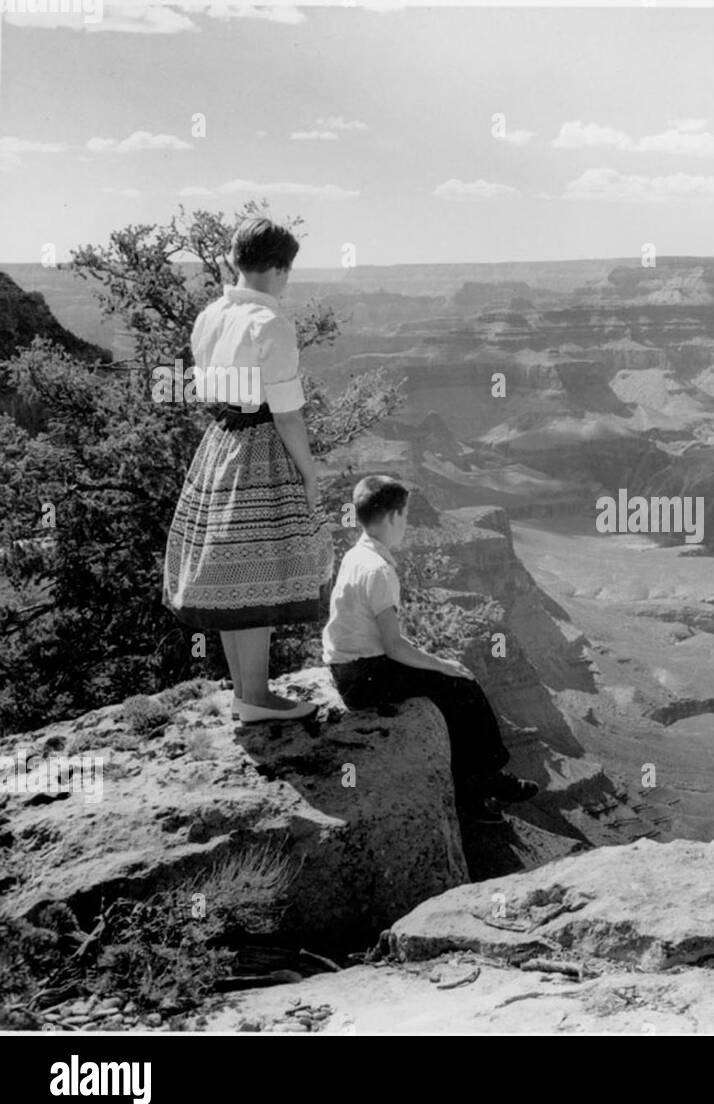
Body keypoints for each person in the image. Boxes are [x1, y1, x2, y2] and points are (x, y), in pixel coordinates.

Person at [162, 216, 333, 723]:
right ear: (280, 269)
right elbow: (287, 412)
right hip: (260, 448)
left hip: (221, 442)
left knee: (234, 574)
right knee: (259, 572)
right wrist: (309, 473)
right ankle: (256, 698)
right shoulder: (270, 323)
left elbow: (207, 385)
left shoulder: (211, 315)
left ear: (236, 260)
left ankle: (246, 692)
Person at [322, 475, 539, 824]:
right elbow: (394, 646)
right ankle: (486, 780)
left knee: (450, 691)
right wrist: (442, 665)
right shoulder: (379, 570)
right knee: (463, 685)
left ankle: (476, 786)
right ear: (392, 516)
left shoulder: (356, 554)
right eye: (406, 515)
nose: (407, 523)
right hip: (365, 676)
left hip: (348, 669)